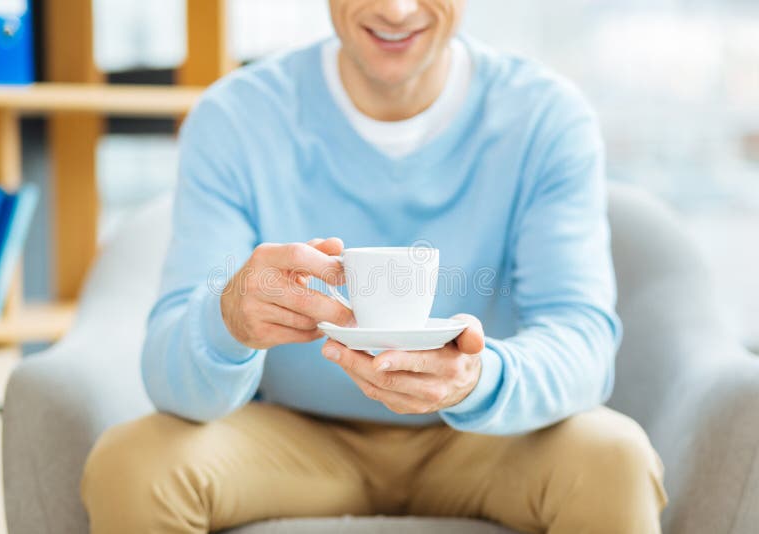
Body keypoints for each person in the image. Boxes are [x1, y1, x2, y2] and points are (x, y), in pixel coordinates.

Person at [81, 1, 668, 532]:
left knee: (616, 458)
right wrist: (227, 319)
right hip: (295, 438)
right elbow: (167, 374)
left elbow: (583, 343)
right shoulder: (236, 117)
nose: (395, 9)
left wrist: (474, 379)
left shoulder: (545, 116)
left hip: (488, 440)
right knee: (130, 463)